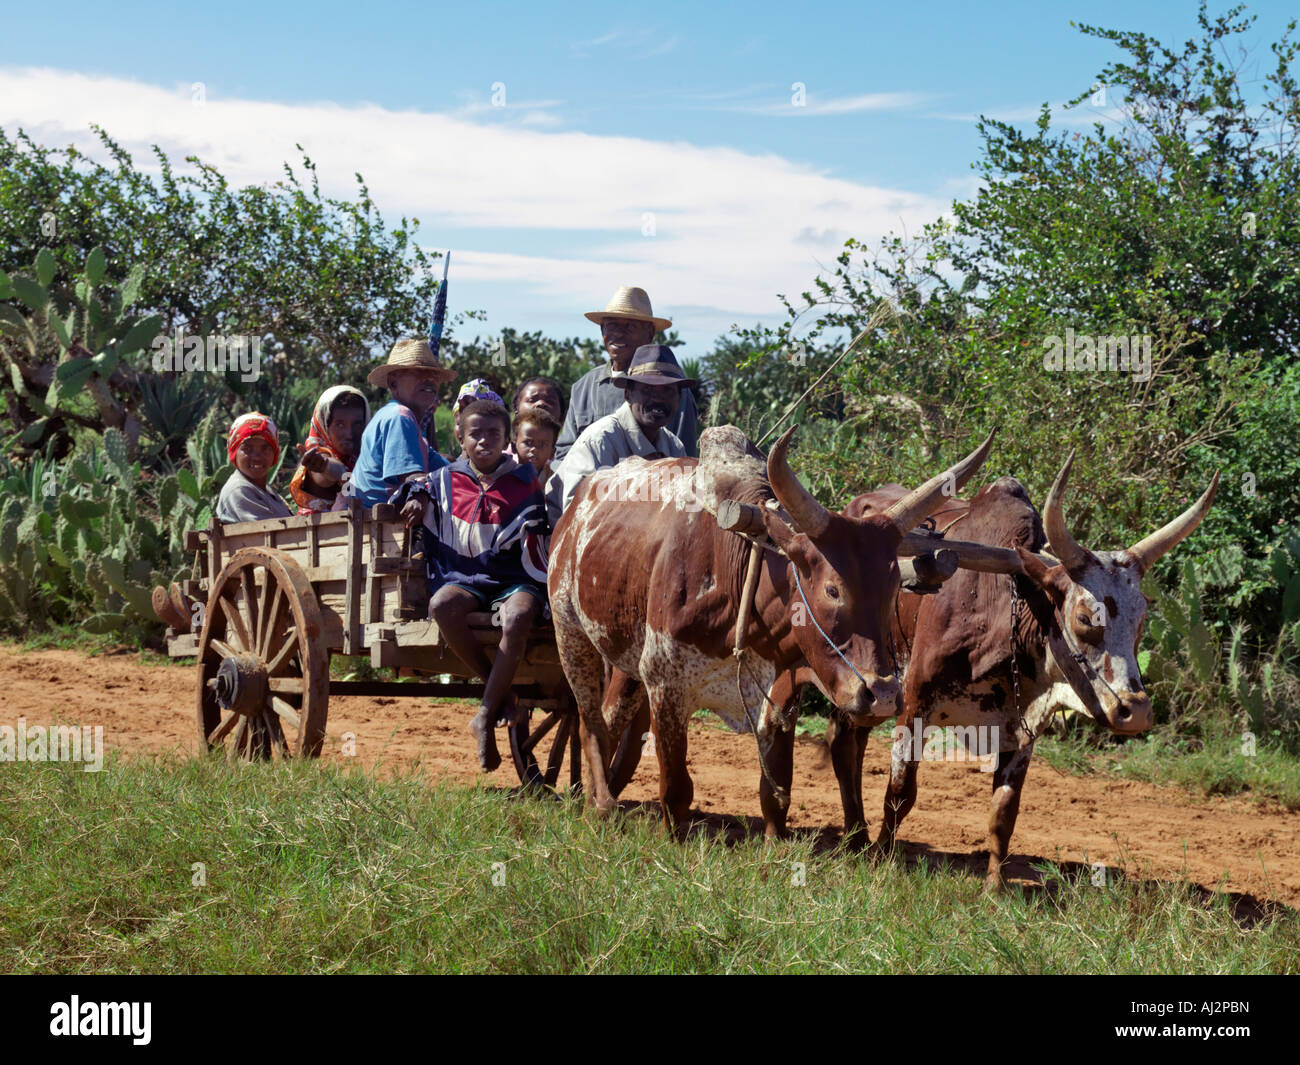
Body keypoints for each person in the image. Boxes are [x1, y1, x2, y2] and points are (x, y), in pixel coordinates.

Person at [398, 399, 549, 772]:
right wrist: (416, 498)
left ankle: (483, 713)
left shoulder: (523, 479)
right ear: (461, 439)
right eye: (475, 435)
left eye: (493, 434)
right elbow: (413, 486)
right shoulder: (446, 479)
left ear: (506, 439)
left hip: (512, 579)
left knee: (518, 617)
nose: (484, 442)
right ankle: (497, 691)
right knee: (441, 606)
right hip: (462, 578)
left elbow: (536, 535)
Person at [545, 344, 694, 523]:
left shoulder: (675, 447)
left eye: (668, 391)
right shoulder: (601, 441)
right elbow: (578, 516)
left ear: (679, 399)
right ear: (628, 395)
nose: (658, 399)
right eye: (647, 389)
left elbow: (689, 510)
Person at [554, 287, 697, 462]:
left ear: (650, 333)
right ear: (602, 331)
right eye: (612, 325)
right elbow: (563, 453)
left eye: (630, 326)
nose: (619, 333)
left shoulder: (672, 388)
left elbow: (684, 459)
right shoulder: (584, 386)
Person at [350, 338, 455, 508]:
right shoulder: (399, 417)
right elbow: (413, 478)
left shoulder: (404, 423)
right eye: (418, 373)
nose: (429, 380)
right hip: (379, 526)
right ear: (393, 383)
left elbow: (448, 471)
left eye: (434, 375)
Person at [288, 386, 369, 514]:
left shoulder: (364, 459)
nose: (349, 434)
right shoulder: (318, 456)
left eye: (357, 424)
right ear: (324, 425)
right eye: (340, 424)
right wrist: (323, 466)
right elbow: (330, 472)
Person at [217, 412, 295, 523]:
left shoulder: (265, 490)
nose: (257, 457)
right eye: (247, 449)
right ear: (234, 452)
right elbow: (270, 534)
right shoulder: (239, 490)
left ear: (274, 453)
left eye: (265, 448)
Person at [513, 409, 561, 483]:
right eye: (528, 442)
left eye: (542, 444)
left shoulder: (554, 480)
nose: (534, 449)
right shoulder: (504, 474)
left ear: (552, 453)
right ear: (514, 446)